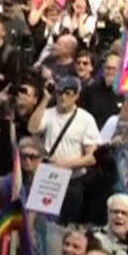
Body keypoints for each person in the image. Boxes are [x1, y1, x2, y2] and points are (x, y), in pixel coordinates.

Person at [28, 75, 100, 224]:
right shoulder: (48, 113)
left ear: (76, 96)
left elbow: (92, 157)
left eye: (68, 93)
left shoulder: (86, 119)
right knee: (42, 221)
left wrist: (62, 165)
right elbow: (32, 128)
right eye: (60, 92)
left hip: (72, 180)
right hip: (48, 177)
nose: (63, 97)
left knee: (67, 224)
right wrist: (44, 100)